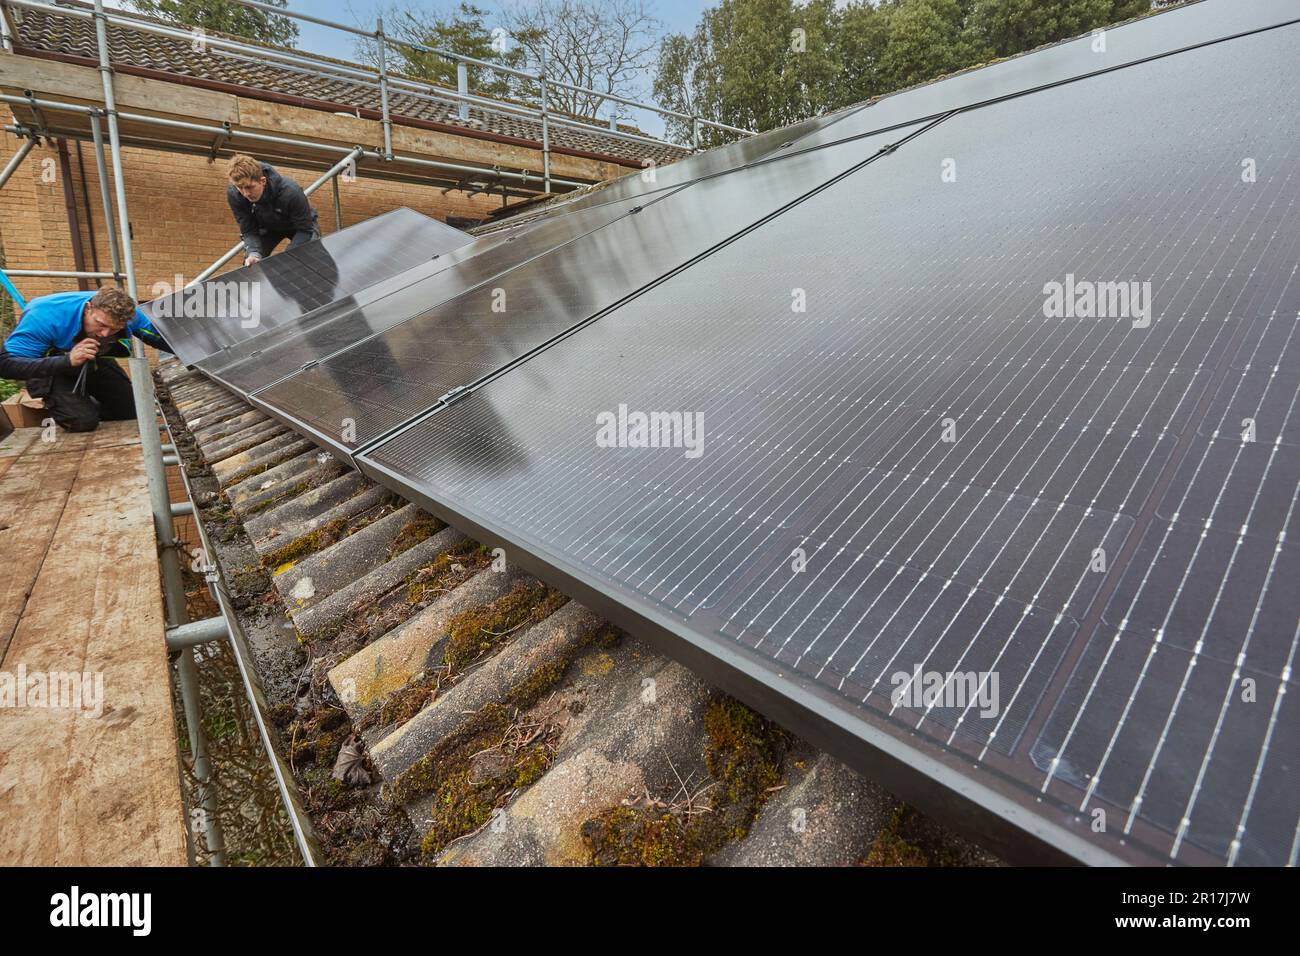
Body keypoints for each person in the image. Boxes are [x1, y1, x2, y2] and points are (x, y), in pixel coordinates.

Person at [0, 287, 172, 432]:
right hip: (51, 368)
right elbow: (6, 365)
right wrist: (67, 361)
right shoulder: (43, 317)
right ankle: (71, 407)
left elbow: (159, 337)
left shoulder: (129, 315)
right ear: (88, 307)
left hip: (91, 359)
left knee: (133, 410)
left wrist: (192, 357)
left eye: (115, 329)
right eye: (101, 324)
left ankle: (86, 402)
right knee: (83, 422)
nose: (104, 334)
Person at [226, 153, 320, 267]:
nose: (246, 194)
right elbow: (248, 230)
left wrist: (288, 257)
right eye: (240, 188)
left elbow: (305, 230)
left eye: (250, 187)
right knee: (252, 263)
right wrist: (253, 253)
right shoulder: (235, 196)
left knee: (296, 261)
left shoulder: (291, 192)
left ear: (263, 181)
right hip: (269, 228)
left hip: (301, 227)